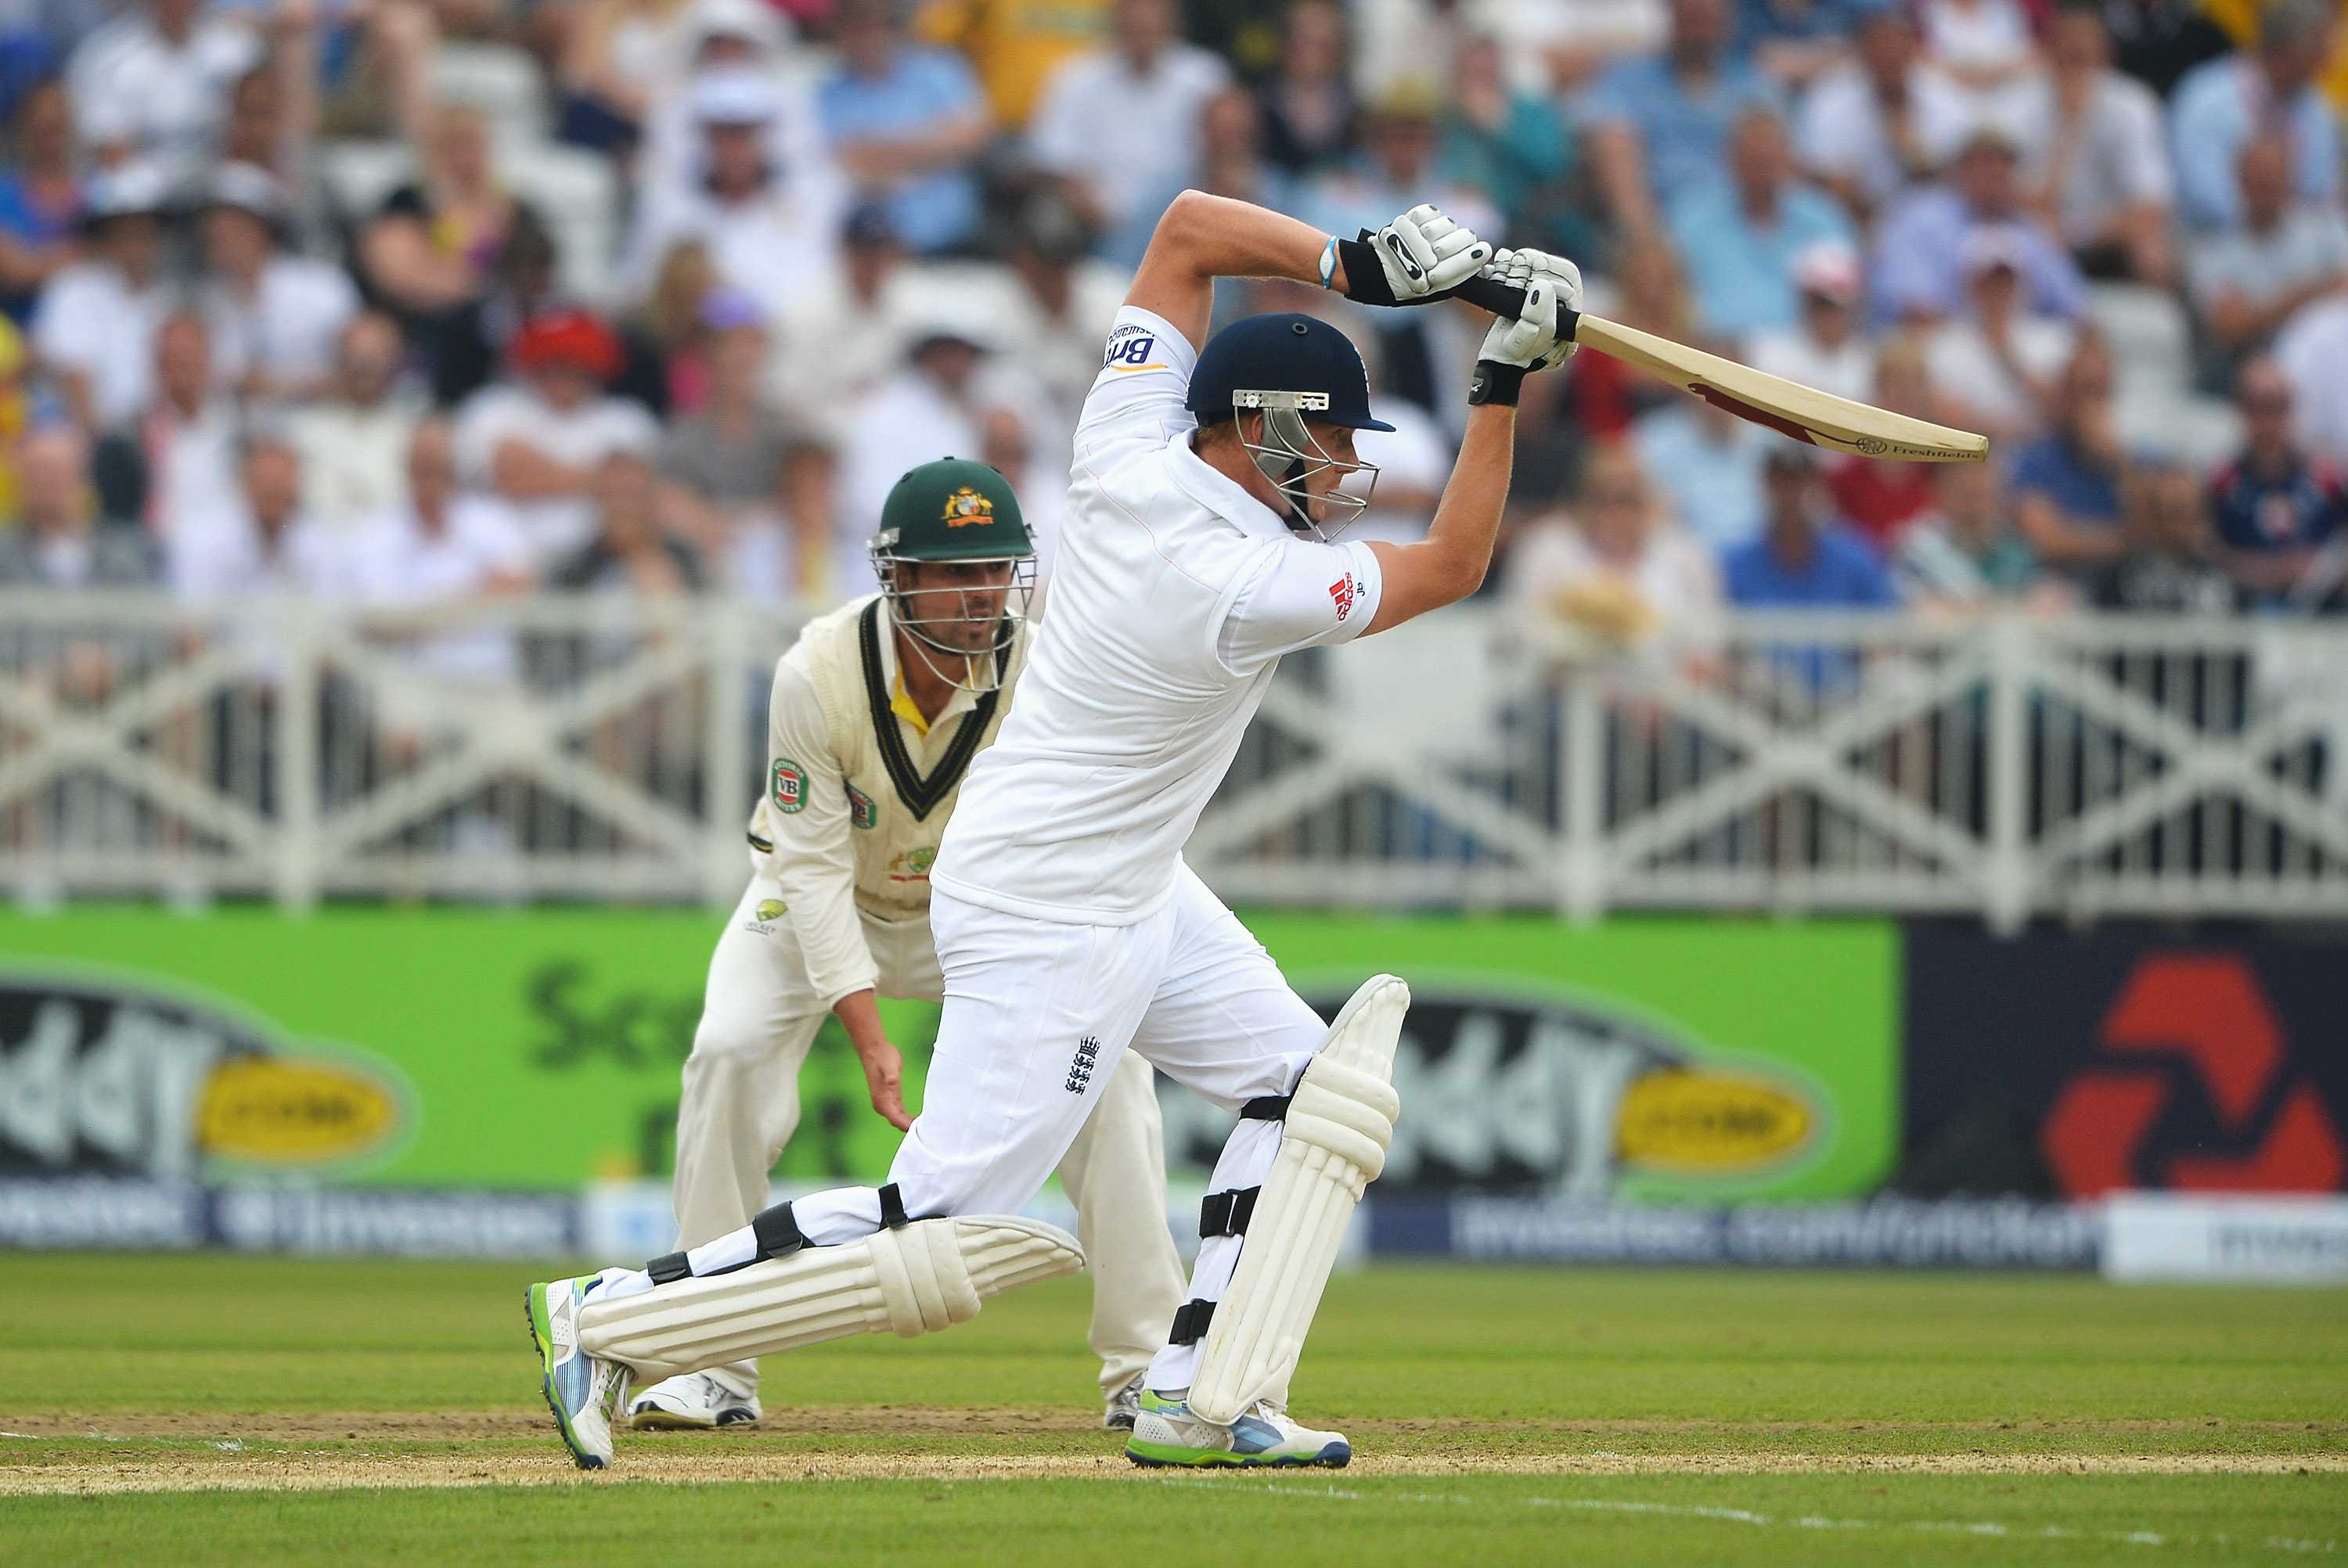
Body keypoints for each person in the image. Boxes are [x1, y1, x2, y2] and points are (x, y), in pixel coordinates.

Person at [524, 193, 1572, 1472]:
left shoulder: (1126, 443)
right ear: (1267, 429)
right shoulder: (1239, 581)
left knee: (1310, 1089)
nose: (1350, 466)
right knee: (945, 1211)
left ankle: (1197, 1387)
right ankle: (611, 1315)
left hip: (1127, 881)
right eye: (1337, 436)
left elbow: (1186, 230)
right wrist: (1503, 378)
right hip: (1050, 902)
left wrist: (1351, 263)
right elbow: (1456, 563)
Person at [618, 456, 1186, 1435]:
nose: (983, 596)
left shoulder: (1044, 671)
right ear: (901, 577)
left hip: (983, 917)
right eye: (957, 573)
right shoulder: (817, 675)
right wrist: (873, 1036)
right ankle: (709, 1367)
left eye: (999, 569)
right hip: (818, 906)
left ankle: (1150, 1367)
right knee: (728, 1053)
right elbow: (807, 874)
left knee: (1115, 1080)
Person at [1026, 0, 1230, 236]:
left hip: (1189, 223)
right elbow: (1054, 165)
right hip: (1097, 228)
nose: (1142, 19)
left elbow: (1227, 156)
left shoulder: (1206, 77)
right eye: (1133, 10)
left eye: (1152, 10)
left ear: (1172, 16)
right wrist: (1092, 211)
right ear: (1115, 15)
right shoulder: (1074, 78)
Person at [1666, 105, 1854, 341]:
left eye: (1769, 161)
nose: (1762, 172)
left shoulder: (1823, 221)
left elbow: (1843, 307)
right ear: (1730, 160)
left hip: (1805, 357)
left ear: (1788, 159)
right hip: (1715, 353)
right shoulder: (1691, 220)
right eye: (1753, 161)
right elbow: (1672, 301)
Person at [817, 0, 990, 257]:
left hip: (953, 246)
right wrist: (933, 148)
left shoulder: (941, 70)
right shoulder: (826, 94)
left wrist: (877, 151)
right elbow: (840, 165)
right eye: (859, 26)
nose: (870, 36)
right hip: (870, 256)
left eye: (880, 25)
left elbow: (974, 138)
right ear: (840, 31)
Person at [194, 163, 360, 406]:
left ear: (263, 228)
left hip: (320, 425)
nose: (219, 232)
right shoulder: (201, 301)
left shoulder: (323, 287)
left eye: (233, 222)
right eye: (213, 223)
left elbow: (362, 371)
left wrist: (277, 386)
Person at [2169, 0, 2338, 235]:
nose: (2328, 59)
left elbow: (2318, 194)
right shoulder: (2205, 98)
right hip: (2212, 241)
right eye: (2318, 47)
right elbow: (2201, 195)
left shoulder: (2316, 109)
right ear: (2285, 50)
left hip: (2293, 243)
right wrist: (2264, 224)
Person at [2188, 134, 2348, 379]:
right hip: (2247, 369)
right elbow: (2231, 327)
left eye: (2275, 178)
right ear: (2239, 180)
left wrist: (2260, 311)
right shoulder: (2214, 250)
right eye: (2259, 179)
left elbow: (2344, 290)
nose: (2267, 187)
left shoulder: (2324, 228)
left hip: (2326, 362)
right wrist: (2313, 292)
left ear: (2291, 179)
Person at [2208, 357, 2344, 607]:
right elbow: (2208, 554)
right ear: (2240, 409)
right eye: (2257, 407)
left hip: (2322, 616)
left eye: (2277, 406)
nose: (2268, 421)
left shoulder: (2328, 481)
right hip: (2242, 615)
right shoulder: (2220, 484)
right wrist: (2270, 571)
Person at [290, 312, 426, 533]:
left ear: (396, 361)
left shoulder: (416, 431)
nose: (365, 367)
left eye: (376, 358)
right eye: (356, 357)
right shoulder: (304, 432)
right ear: (339, 361)